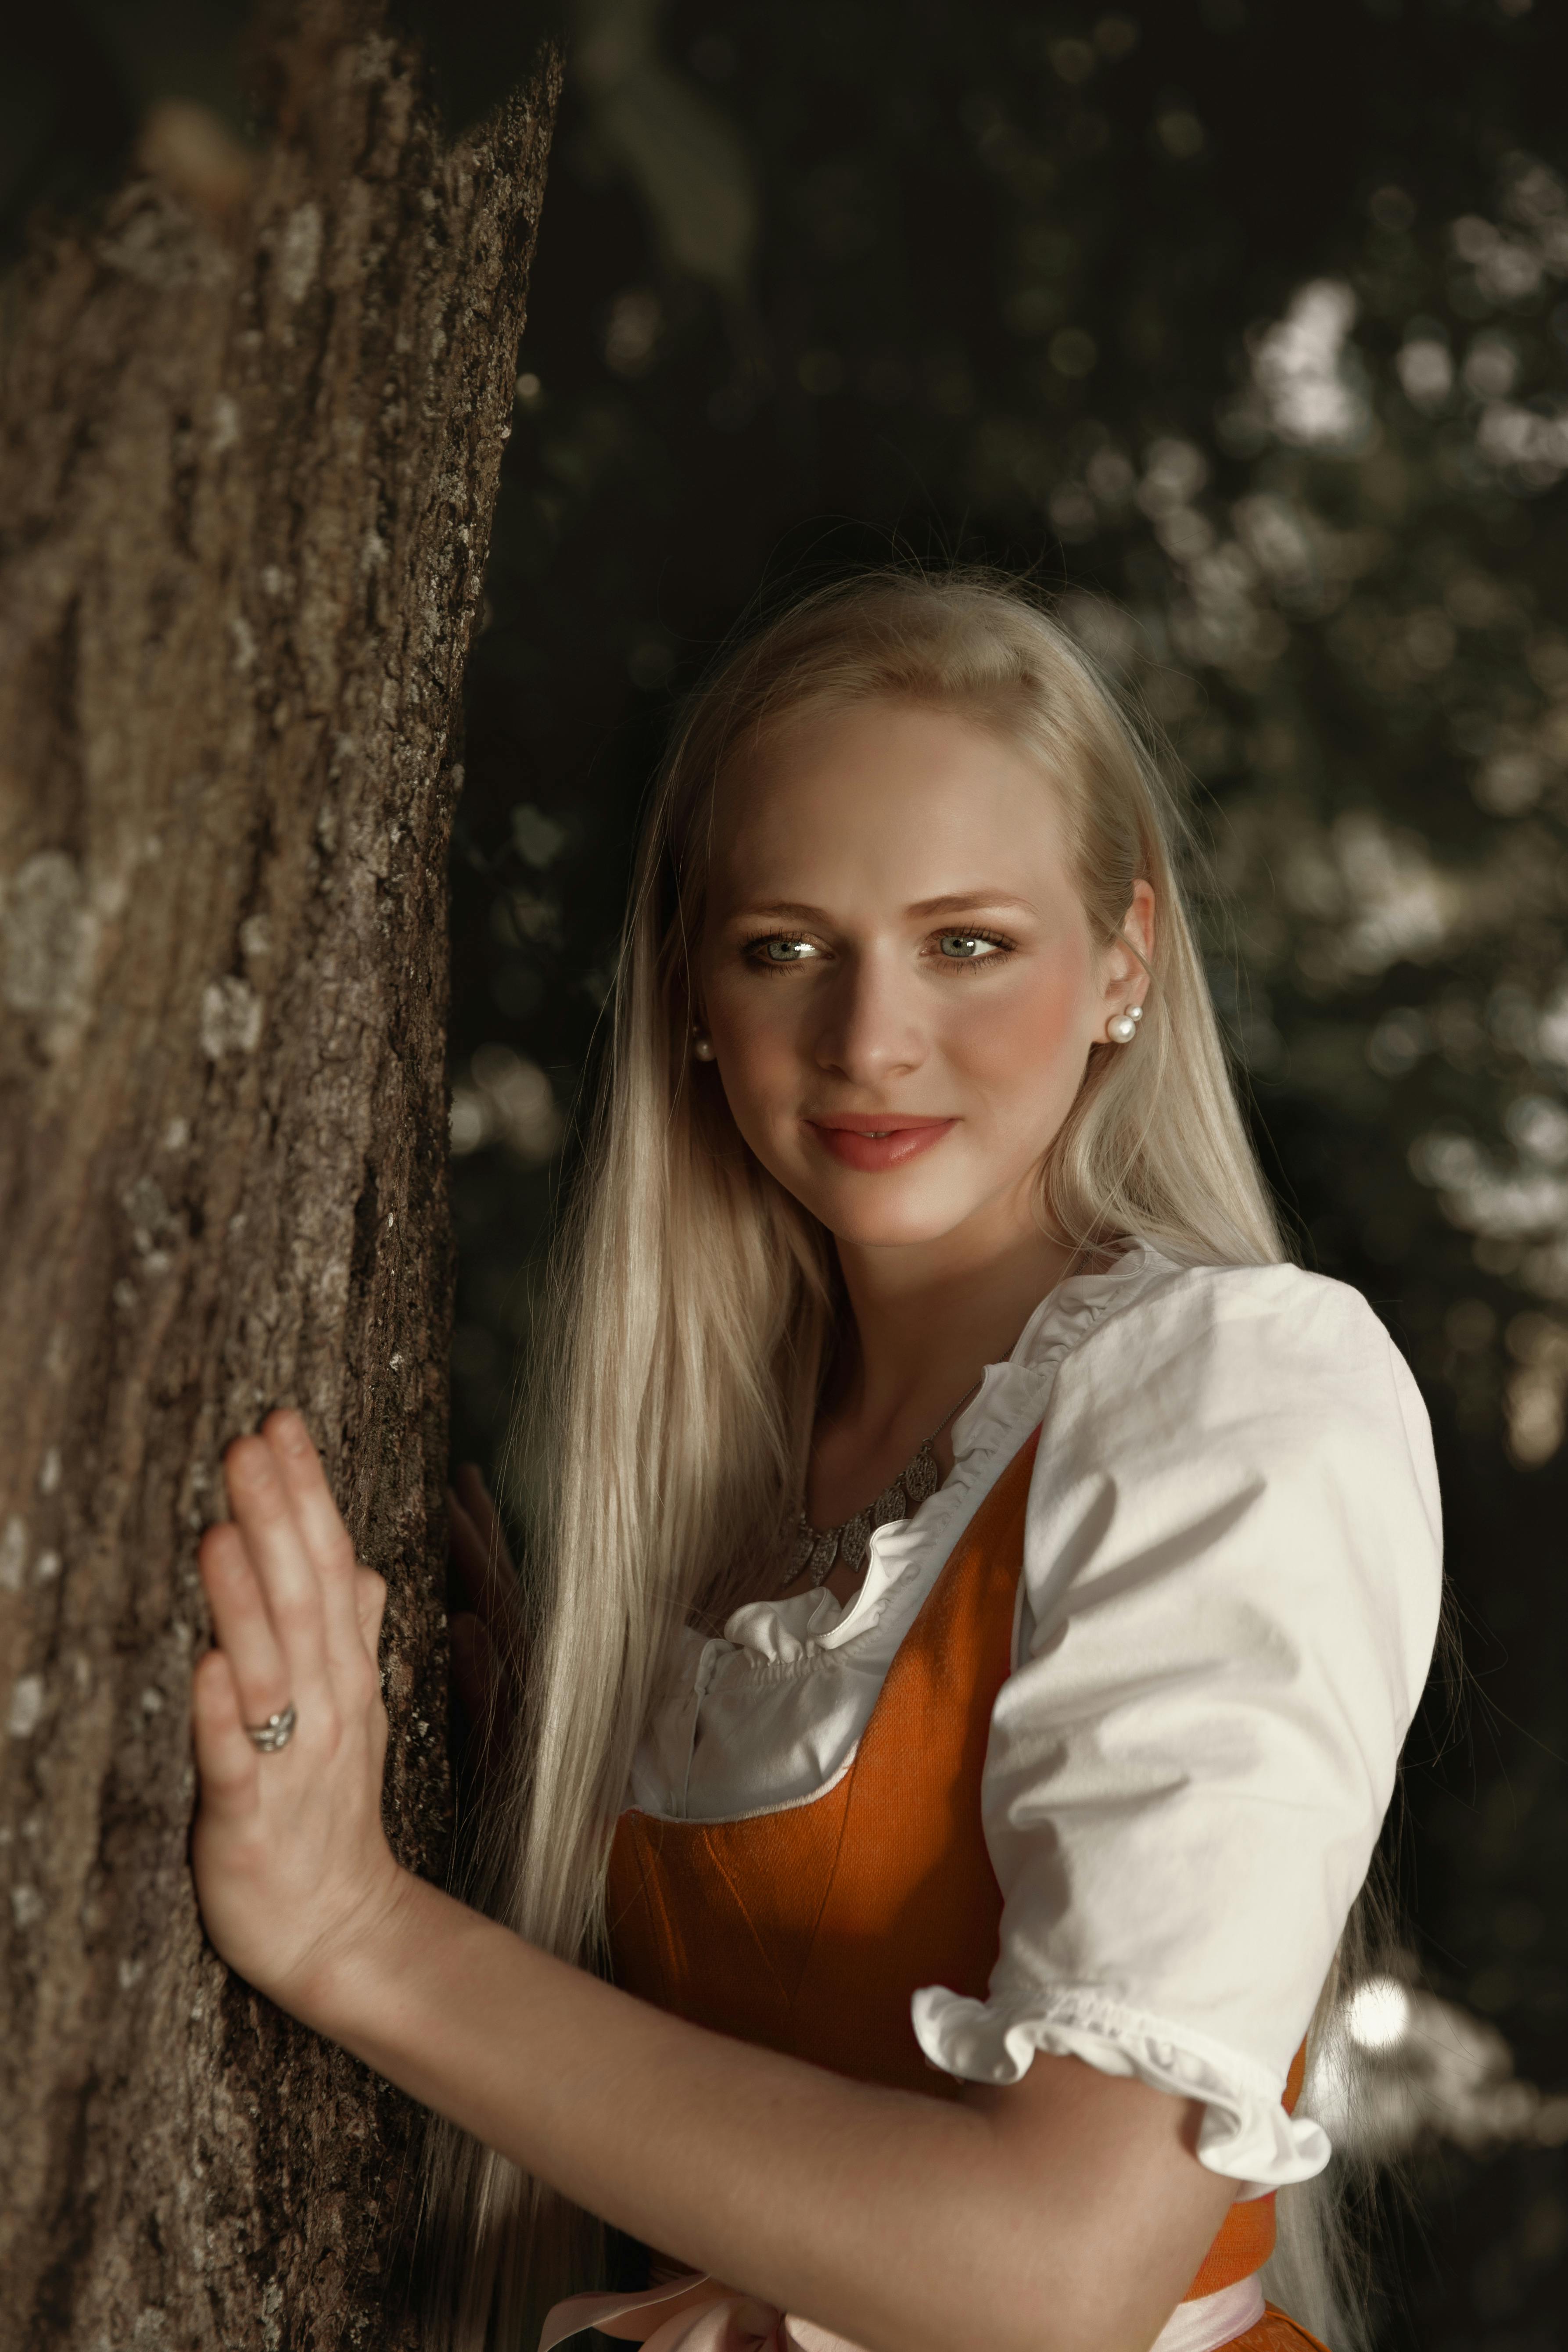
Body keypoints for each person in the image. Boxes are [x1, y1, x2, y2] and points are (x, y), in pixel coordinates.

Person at [189, 573, 1443, 2352]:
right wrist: (529, 1827)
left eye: (966, 941)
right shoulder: (718, 1482)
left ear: (1125, 965)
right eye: (785, 944)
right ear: (692, 992)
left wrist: (356, 1928)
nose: (867, 1038)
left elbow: (1051, 2272)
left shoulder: (1240, 1398)